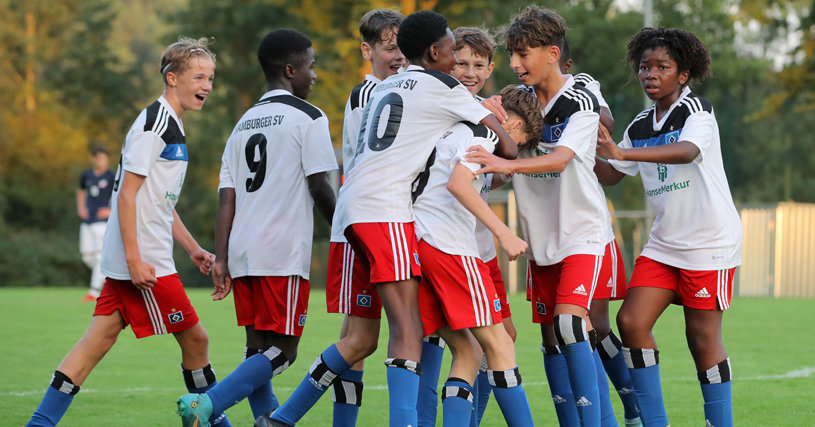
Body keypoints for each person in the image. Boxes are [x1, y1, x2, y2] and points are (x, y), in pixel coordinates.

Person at [260, 10, 518, 427]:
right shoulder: (446, 87)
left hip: (352, 212)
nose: (457, 60)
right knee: (408, 331)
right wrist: (490, 122)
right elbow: (506, 147)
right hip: (388, 211)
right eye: (453, 50)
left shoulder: (387, 85)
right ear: (435, 52)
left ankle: (282, 418)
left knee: (359, 339)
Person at [26, 37, 229, 427]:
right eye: (198, 77)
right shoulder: (155, 124)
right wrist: (135, 260)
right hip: (145, 261)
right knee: (196, 340)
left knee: (97, 341)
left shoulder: (171, 123)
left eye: (211, 78)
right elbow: (127, 196)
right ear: (172, 78)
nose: (207, 86)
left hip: (138, 255)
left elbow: (158, 201)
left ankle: (39, 423)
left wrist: (192, 248)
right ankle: (212, 422)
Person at [174, 29, 338, 427]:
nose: (313, 76)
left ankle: (265, 421)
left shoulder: (241, 125)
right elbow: (320, 186)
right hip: (281, 252)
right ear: (289, 69)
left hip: (244, 250)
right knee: (283, 353)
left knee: (258, 351)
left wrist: (223, 258)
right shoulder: (309, 117)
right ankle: (208, 403)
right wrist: (347, 233)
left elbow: (226, 198)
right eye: (309, 66)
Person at [468, 6, 615, 425]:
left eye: (523, 54)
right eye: (511, 55)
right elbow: (497, 162)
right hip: (541, 245)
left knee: (571, 326)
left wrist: (506, 166)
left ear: (552, 53)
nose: (514, 64)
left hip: (583, 236)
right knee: (553, 338)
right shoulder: (518, 103)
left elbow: (564, 158)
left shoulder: (581, 98)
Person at [593, 27, 741, 427]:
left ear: (683, 74)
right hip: (665, 245)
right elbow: (611, 173)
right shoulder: (640, 124)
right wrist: (581, 143)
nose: (651, 74)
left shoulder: (698, 110)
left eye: (662, 66)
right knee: (631, 322)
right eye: (645, 67)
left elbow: (688, 152)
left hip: (710, 244)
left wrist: (623, 151)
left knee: (701, 339)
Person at [414, 86, 542, 427]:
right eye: (520, 140)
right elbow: (458, 184)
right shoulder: (483, 131)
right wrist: (504, 233)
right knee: (500, 344)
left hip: (417, 243)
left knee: (469, 352)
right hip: (448, 246)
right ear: (513, 127)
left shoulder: (449, 129)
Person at [324, 10, 404, 427]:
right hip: (367, 227)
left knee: (357, 337)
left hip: (376, 224)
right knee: (362, 340)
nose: (397, 55)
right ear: (367, 50)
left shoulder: (398, 89)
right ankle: (290, 412)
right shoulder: (369, 94)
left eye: (402, 46)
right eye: (389, 47)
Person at [561, 37, 643, 426]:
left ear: (564, 61)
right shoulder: (523, 96)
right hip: (548, 232)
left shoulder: (582, 85)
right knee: (563, 332)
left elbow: (605, 123)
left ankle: (630, 404)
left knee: (594, 325)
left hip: (588, 232)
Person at [77, 145, 115, 301]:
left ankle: (93, 292)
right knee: (87, 256)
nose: (101, 161)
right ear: (92, 158)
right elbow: (80, 191)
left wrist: (111, 211)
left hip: (103, 221)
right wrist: (80, 207)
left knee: (100, 257)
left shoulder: (112, 176)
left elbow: (121, 195)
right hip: (88, 221)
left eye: (104, 158)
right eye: (99, 158)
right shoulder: (86, 175)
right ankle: (110, 278)